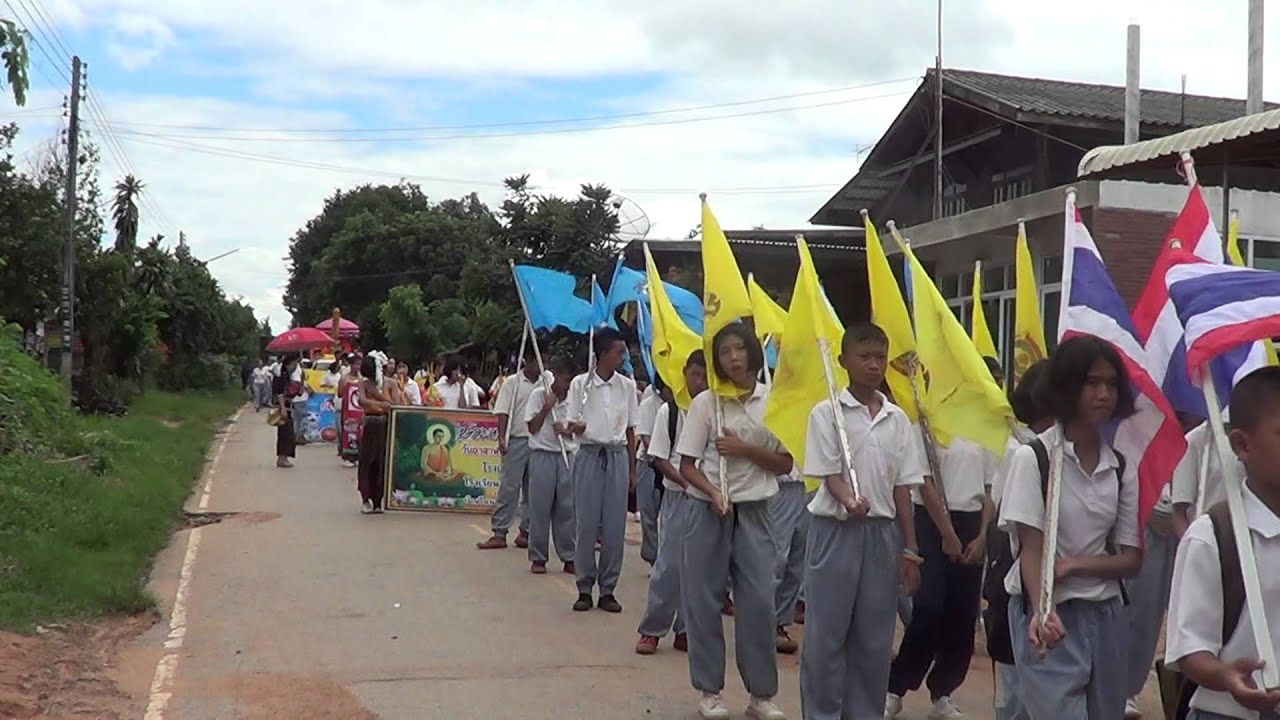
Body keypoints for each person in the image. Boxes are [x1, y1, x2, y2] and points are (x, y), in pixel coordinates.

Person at [999, 335, 1142, 719]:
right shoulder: (1036, 459)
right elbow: (1031, 548)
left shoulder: (1122, 467)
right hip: (1052, 613)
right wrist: (1042, 608)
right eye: (1092, 383)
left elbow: (1130, 560)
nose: (1104, 394)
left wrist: (1075, 565)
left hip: (1107, 614)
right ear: (1067, 387)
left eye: (1111, 385)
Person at [799, 322, 925, 720]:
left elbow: (904, 487)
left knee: (874, 640)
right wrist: (848, 500)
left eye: (880, 358)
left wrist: (910, 547)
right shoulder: (827, 413)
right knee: (826, 637)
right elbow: (828, 473)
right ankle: (821, 713)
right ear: (844, 361)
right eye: (865, 357)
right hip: (835, 531)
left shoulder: (896, 419)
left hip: (881, 536)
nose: (874, 365)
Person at [676, 324, 792, 720]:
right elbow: (687, 465)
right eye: (724, 352)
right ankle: (710, 691)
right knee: (704, 600)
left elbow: (785, 464)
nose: (733, 358)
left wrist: (745, 449)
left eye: (739, 349)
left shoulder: (772, 400)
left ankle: (761, 694)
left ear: (753, 354)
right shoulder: (707, 402)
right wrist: (712, 492)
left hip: (757, 510)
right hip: (710, 509)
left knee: (759, 601)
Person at [886, 358, 1003, 719]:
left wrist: (982, 535)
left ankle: (943, 692)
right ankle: (895, 687)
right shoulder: (923, 425)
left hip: (973, 524)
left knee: (963, 614)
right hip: (932, 520)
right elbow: (923, 482)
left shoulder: (981, 428)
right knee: (929, 608)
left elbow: (988, 490)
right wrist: (948, 535)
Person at [1164, 366, 1280, 720]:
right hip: (1228, 714)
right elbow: (1191, 649)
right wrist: (1225, 675)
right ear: (1242, 445)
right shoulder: (1213, 537)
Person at [990, 359, 1052, 720]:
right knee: (1018, 690)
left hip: (1061, 588)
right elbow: (1005, 518)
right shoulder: (1022, 451)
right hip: (1023, 584)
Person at [635, 350, 708, 656]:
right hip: (679, 497)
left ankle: (686, 629)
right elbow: (660, 458)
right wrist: (686, 481)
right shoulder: (672, 411)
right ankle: (652, 629)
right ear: (685, 375)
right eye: (695, 374)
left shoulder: (716, 413)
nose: (700, 382)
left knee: (700, 570)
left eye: (706, 376)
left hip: (707, 500)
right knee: (668, 567)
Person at [566, 327, 639, 614]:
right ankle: (584, 586)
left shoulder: (627, 386)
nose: (623, 357)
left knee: (613, 526)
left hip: (617, 455)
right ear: (604, 353)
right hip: (589, 454)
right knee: (585, 523)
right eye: (619, 352)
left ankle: (608, 588)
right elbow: (572, 423)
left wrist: (633, 470)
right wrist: (577, 427)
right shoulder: (580, 385)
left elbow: (632, 429)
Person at [478, 344, 550, 550]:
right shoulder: (512, 382)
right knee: (509, 487)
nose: (543, 365)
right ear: (528, 359)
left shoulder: (549, 380)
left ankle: (526, 531)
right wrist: (502, 438)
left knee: (534, 490)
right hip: (517, 438)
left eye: (545, 360)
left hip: (540, 441)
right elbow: (503, 411)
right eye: (539, 360)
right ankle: (499, 532)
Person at [522, 355, 578, 574]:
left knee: (567, 509)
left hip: (566, 456)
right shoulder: (538, 395)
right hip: (542, 454)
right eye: (565, 380)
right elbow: (532, 428)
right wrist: (546, 408)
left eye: (571, 381)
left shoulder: (576, 398)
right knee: (540, 508)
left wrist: (568, 431)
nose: (567, 385)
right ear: (556, 377)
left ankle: (569, 555)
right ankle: (538, 556)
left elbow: (580, 432)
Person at [635, 373, 666, 565]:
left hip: (669, 465)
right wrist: (659, 458)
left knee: (665, 514)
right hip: (648, 463)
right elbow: (645, 437)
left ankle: (663, 557)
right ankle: (652, 556)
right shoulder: (648, 404)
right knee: (649, 513)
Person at [357, 355, 392, 514]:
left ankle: (378, 500)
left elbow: (394, 404)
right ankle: (365, 498)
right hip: (370, 423)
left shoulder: (391, 383)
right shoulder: (363, 383)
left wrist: (380, 400)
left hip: (385, 424)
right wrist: (379, 403)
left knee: (381, 462)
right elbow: (362, 401)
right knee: (367, 462)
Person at [272, 354, 302, 468]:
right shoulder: (281, 377)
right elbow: (279, 394)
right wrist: (283, 408)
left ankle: (284, 457)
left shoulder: (290, 378)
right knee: (285, 433)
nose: (295, 367)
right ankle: (282, 458)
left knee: (289, 434)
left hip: (290, 407)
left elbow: (299, 392)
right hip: (284, 408)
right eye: (293, 364)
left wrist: (302, 379)